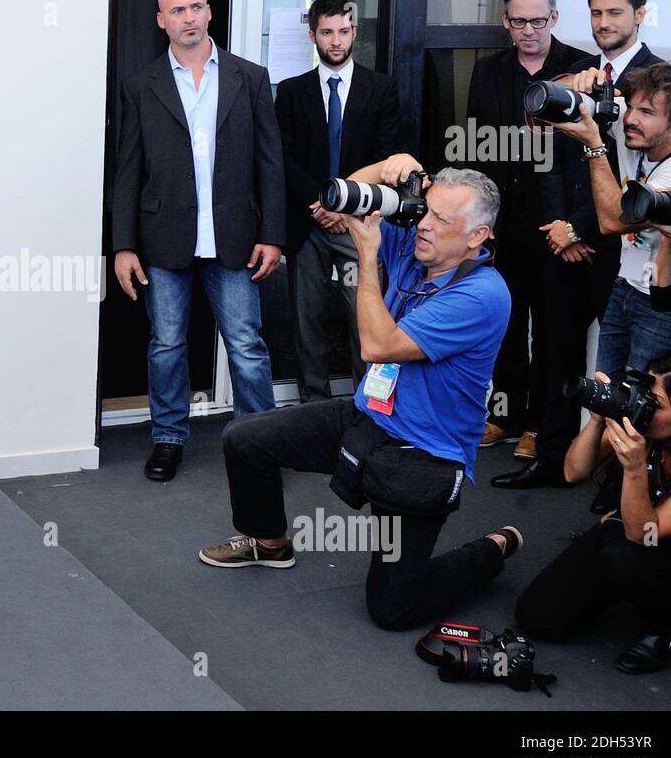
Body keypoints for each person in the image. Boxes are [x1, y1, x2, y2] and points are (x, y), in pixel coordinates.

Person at [199, 158, 521, 630]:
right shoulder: (418, 249)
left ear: (477, 237)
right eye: (426, 211)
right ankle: (269, 541)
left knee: (393, 609)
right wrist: (387, 165)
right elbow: (344, 196)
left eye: (441, 220)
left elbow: (377, 345)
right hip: (370, 416)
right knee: (244, 437)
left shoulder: (482, 296)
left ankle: (491, 550)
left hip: (422, 454)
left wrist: (368, 258)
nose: (424, 226)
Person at [111, 0, 285, 482]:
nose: (188, 18)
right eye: (177, 11)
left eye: (196, 8)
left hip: (235, 237)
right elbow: (127, 172)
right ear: (161, 21)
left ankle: (263, 442)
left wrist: (272, 233)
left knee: (247, 345)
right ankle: (167, 438)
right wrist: (123, 245)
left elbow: (269, 163)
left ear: (210, 12)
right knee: (166, 344)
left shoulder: (249, 78)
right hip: (163, 238)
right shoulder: (139, 86)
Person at [497, 0, 663, 491]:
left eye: (614, 12)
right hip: (564, 240)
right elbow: (545, 154)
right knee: (555, 348)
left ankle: (629, 483)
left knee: (634, 371)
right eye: (596, 12)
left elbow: (632, 175)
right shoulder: (576, 76)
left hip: (623, 249)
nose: (603, 22)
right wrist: (559, 226)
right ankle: (551, 457)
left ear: (639, 14)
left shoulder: (658, 83)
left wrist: (582, 230)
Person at [462, 0, 590, 457]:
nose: (529, 30)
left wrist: (577, 224)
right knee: (505, 324)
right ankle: (506, 416)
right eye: (519, 22)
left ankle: (543, 425)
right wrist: (478, 222)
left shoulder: (581, 68)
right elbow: (476, 149)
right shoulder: (488, 71)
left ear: (554, 18)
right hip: (502, 224)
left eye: (539, 20)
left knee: (555, 330)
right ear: (506, 23)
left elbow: (591, 155)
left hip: (558, 225)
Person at [516, 355, 671, 674]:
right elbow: (574, 472)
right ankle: (625, 581)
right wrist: (598, 420)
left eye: (653, 402)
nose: (639, 403)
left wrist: (633, 468)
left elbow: (644, 533)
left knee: (623, 557)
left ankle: (664, 625)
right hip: (630, 523)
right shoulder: (642, 421)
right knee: (538, 616)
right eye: (640, 390)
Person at [276, 0, 401, 403]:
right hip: (307, 222)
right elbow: (284, 156)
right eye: (326, 32)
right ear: (312, 35)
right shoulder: (292, 92)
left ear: (354, 34)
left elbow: (387, 157)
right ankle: (313, 407)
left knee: (362, 316)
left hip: (360, 223)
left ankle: (368, 406)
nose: (335, 41)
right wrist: (320, 204)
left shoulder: (380, 88)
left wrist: (343, 204)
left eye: (343, 32)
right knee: (306, 319)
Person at [555, 62, 671, 380]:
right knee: (603, 396)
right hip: (627, 283)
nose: (630, 119)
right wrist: (576, 82)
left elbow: (612, 221)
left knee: (643, 407)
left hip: (670, 303)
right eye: (631, 107)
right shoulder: (634, 120)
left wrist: (595, 146)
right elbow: (543, 106)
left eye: (647, 112)